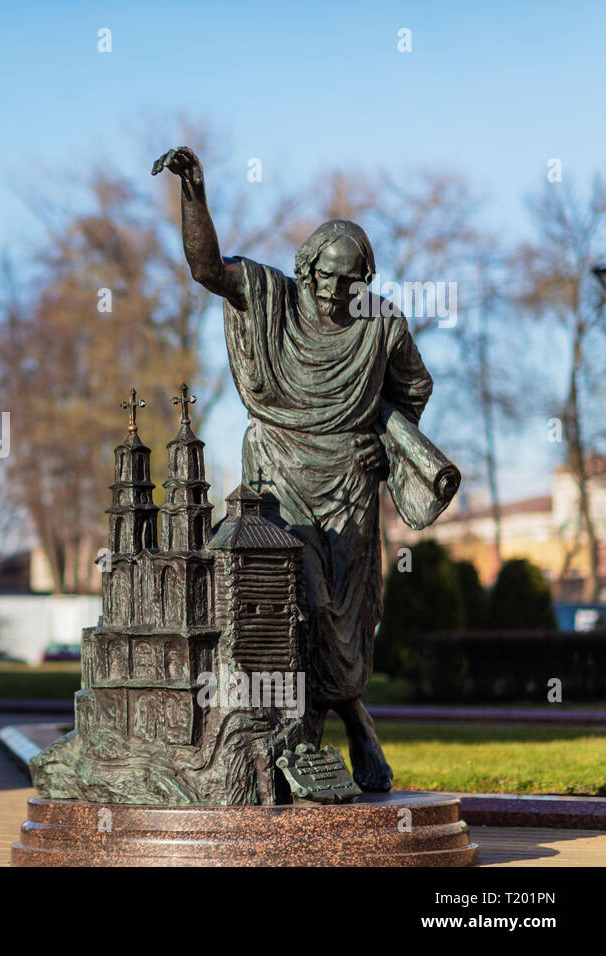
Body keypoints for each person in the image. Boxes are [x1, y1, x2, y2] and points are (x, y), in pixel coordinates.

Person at [154, 145, 455, 792]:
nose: (333, 289)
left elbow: (414, 390)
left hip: (349, 480)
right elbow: (206, 268)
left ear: (365, 280)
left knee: (347, 621)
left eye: (350, 280)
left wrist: (390, 447)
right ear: (306, 266)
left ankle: (343, 726)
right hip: (276, 477)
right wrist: (195, 195)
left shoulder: (382, 327)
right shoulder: (271, 296)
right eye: (323, 274)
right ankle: (307, 731)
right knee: (299, 602)